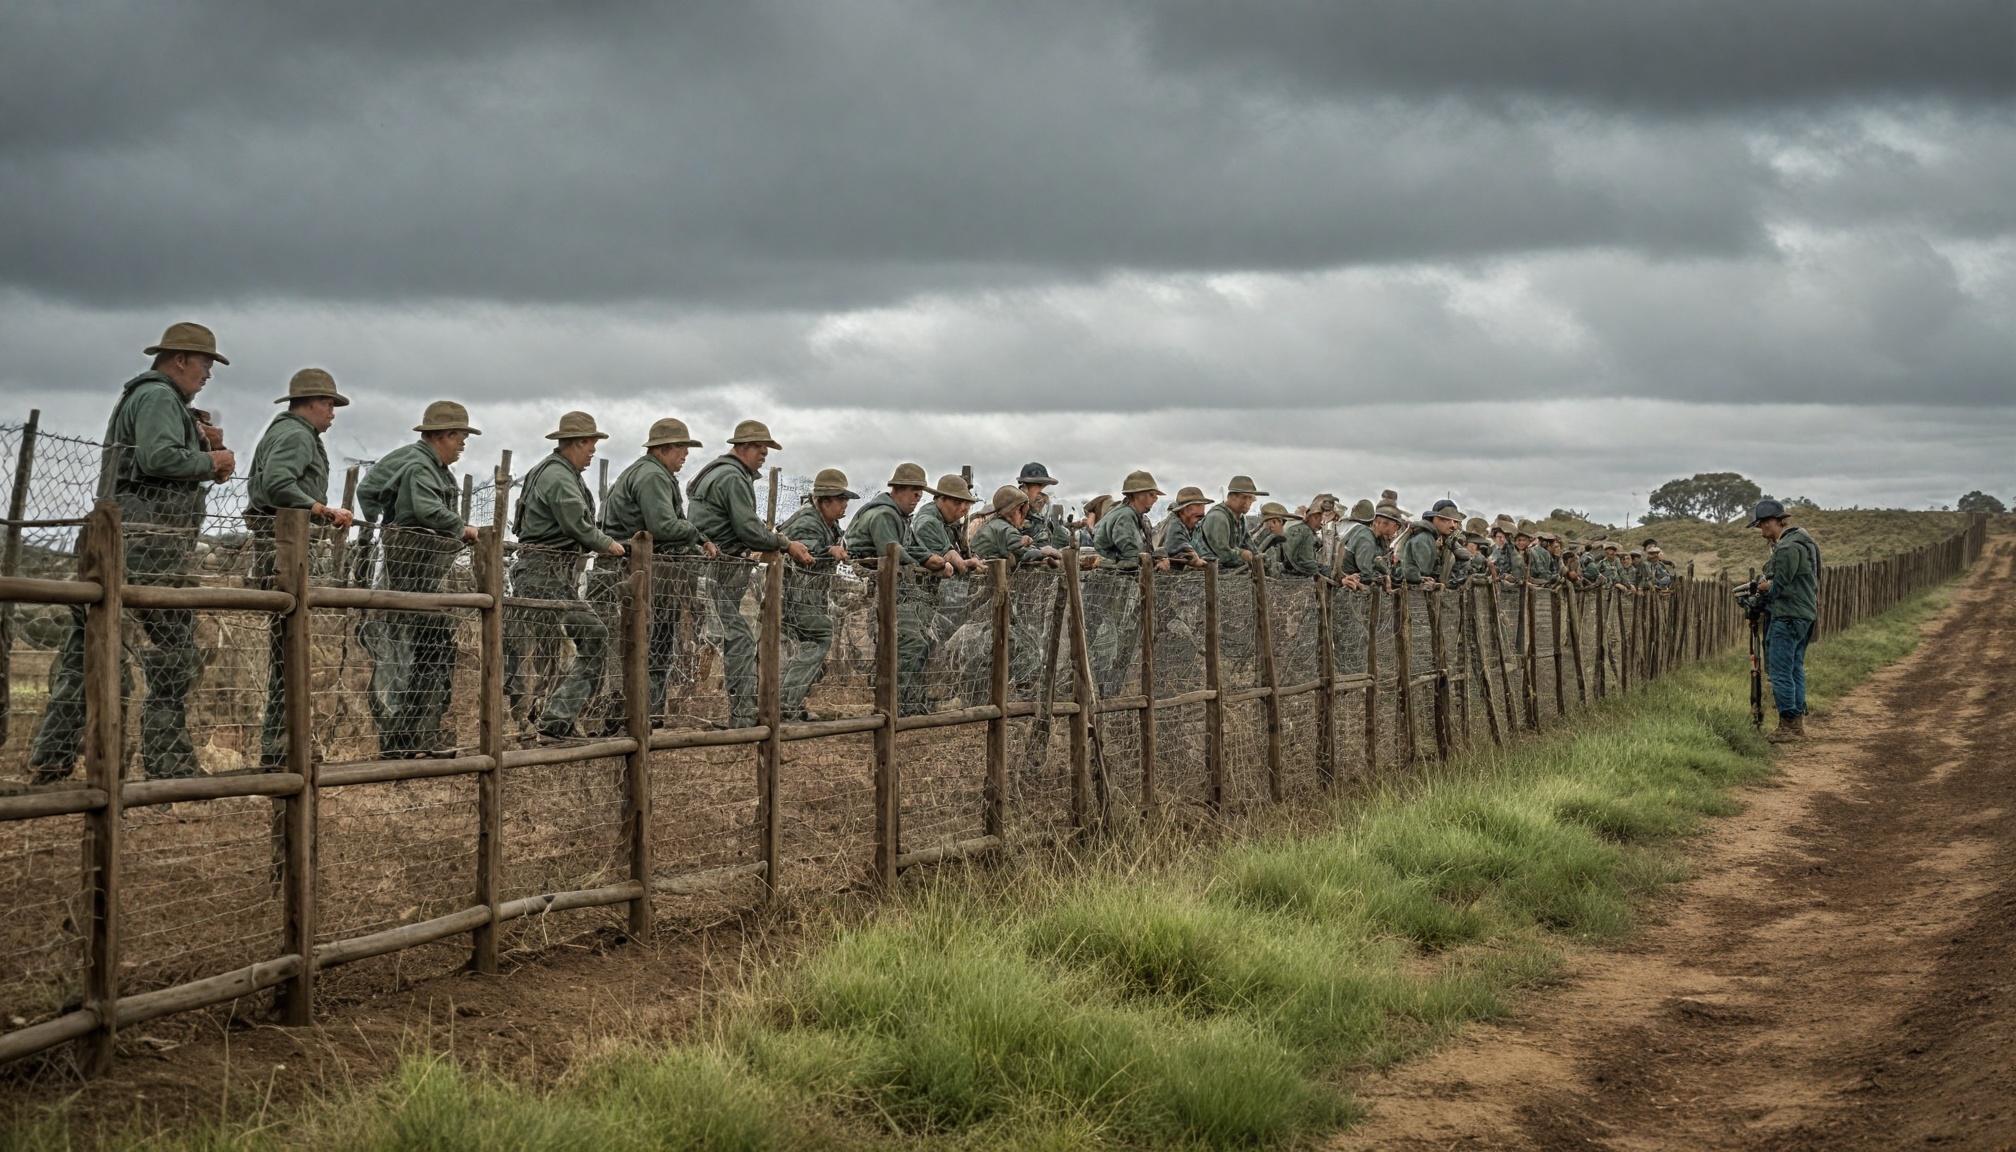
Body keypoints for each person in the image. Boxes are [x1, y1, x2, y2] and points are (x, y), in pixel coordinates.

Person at [31, 323, 237, 784]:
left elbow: (153, 456)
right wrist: (212, 462)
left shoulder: (150, 398)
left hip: (113, 540)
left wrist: (201, 441)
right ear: (180, 359)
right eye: (205, 364)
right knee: (174, 653)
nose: (207, 374)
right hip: (149, 545)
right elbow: (158, 459)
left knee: (86, 650)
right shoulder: (160, 398)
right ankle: (170, 764)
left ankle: (53, 757)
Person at [358, 401, 482, 758]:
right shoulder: (419, 467)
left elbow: (369, 491)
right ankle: (403, 740)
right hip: (412, 563)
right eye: (459, 436)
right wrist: (461, 528)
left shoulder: (427, 464)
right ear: (441, 436)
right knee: (410, 648)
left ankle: (417, 736)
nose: (462, 444)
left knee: (425, 645)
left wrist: (378, 527)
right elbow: (425, 509)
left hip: (413, 564)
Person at [247, 368, 355, 768]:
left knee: (288, 649)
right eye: (329, 404)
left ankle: (283, 744)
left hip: (284, 549)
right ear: (310, 403)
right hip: (284, 552)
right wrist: (319, 508)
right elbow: (277, 484)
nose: (332, 412)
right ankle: (280, 747)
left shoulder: (292, 432)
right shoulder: (295, 434)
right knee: (289, 649)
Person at [506, 412, 624, 740]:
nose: (592, 452)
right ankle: (550, 722)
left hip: (548, 573)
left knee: (558, 649)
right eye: (590, 445)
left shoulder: (554, 471)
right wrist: (608, 544)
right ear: (577, 443)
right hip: (545, 574)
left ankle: (549, 720)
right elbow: (576, 522)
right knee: (578, 642)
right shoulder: (558, 477)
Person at [689, 420, 815, 727]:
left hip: (715, 564)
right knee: (740, 639)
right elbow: (747, 528)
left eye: (766, 449)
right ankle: (743, 717)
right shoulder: (733, 477)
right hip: (722, 567)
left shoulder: (719, 473)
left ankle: (743, 712)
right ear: (743, 446)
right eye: (761, 448)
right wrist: (785, 543)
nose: (764, 454)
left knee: (734, 637)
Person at [599, 417, 715, 724]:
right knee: (652, 647)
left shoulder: (647, 472)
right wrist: (695, 534)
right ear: (663, 449)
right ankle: (641, 716)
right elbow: (662, 526)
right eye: (680, 448)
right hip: (645, 572)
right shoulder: (653, 476)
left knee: (642, 647)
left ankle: (640, 715)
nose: (685, 455)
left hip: (637, 570)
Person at [845, 463, 936, 715]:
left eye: (921, 494)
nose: (918, 498)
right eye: (914, 492)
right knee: (910, 643)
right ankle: (899, 706)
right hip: (873, 592)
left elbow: (909, 547)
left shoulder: (898, 516)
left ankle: (907, 703)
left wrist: (929, 558)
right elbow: (892, 550)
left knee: (916, 641)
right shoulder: (885, 515)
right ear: (898, 489)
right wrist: (922, 562)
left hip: (887, 591)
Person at [776, 469, 855, 721]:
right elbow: (802, 552)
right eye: (839, 499)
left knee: (812, 652)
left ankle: (784, 702)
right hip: (794, 595)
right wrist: (827, 550)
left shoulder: (827, 523)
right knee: (820, 636)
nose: (844, 505)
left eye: (845, 499)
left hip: (806, 595)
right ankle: (781, 703)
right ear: (823, 501)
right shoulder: (808, 521)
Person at [1750, 499, 1820, 742]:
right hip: (1802, 614)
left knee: (1780, 670)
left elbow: (1780, 585)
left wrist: (1764, 588)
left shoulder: (1788, 547)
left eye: (1761, 525)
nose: (1761, 531)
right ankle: (1795, 723)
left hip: (1787, 615)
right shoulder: (1803, 542)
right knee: (1793, 668)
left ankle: (1789, 725)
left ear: (1772, 522)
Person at [1198, 475, 1265, 573]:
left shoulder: (1241, 518)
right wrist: (1241, 554)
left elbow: (1249, 545)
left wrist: (1258, 557)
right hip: (1209, 570)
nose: (1248, 502)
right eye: (1244, 497)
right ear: (1231, 497)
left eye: (1250, 498)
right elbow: (1222, 553)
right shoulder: (1218, 518)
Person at [1400, 504, 1463, 588]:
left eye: (1455, 522)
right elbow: (1425, 571)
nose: (1452, 525)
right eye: (1445, 520)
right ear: (1434, 519)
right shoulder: (1424, 538)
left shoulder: (1434, 538)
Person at [1015, 462, 1072, 556]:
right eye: (1038, 492)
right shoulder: (1014, 511)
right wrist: (1041, 551)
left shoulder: (1037, 514)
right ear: (1025, 489)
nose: (1041, 498)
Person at [1278, 497, 1335, 579]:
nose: (1320, 522)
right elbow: (1307, 562)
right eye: (1318, 518)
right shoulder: (1306, 532)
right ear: (1313, 517)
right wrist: (1321, 574)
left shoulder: (1295, 528)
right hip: (1297, 572)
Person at [1156, 487, 1213, 568]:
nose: (1200, 519)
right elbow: (1186, 551)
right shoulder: (1174, 525)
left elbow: (1203, 551)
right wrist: (1196, 559)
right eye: (1197, 516)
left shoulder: (1195, 527)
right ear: (1183, 511)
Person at [1252, 502, 1291, 571]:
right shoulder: (1268, 536)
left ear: (1280, 521)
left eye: (1271, 523)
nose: (1268, 526)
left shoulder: (1290, 537)